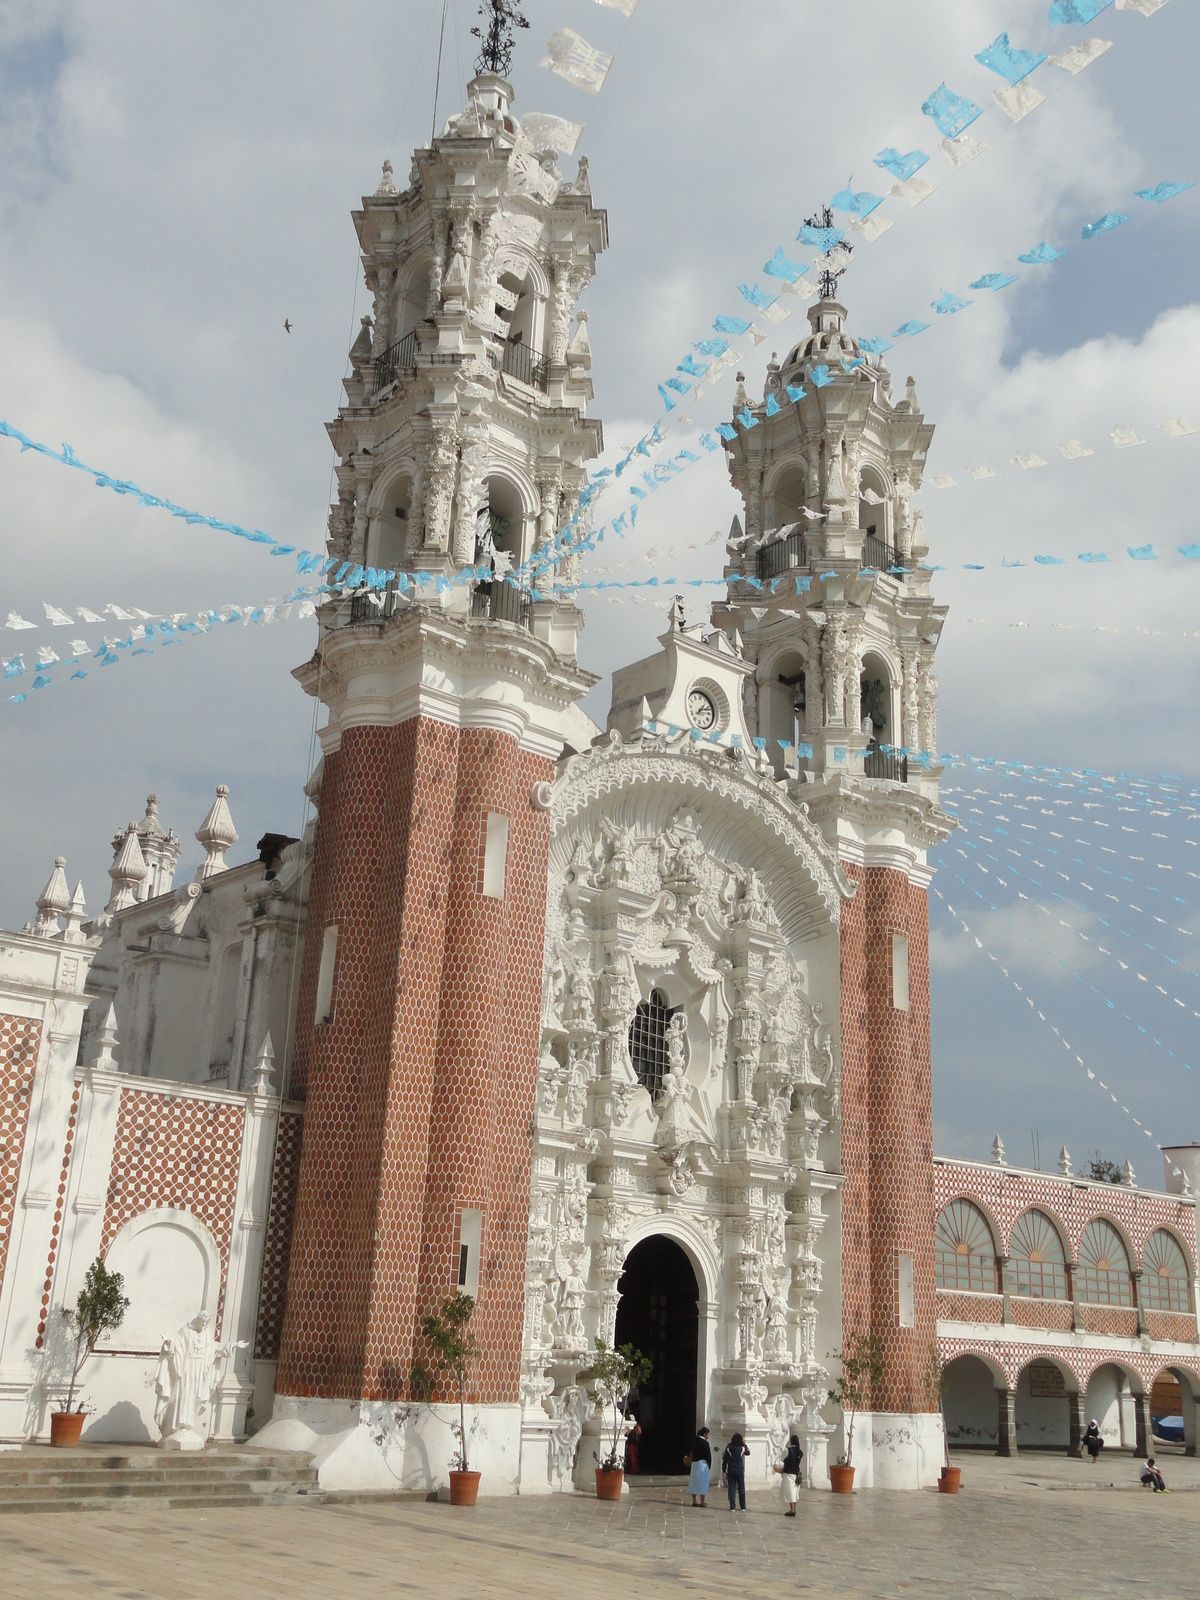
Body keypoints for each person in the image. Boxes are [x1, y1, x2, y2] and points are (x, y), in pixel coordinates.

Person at [775, 1433, 804, 1516]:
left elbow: (781, 1459)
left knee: (790, 1492)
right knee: (795, 1492)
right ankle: (794, 1509)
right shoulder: (800, 1452)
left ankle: (792, 1510)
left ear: (791, 1441)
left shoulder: (788, 1450)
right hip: (796, 1473)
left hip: (788, 1473)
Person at [722, 1432, 750, 1511]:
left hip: (731, 1469)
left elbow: (725, 1459)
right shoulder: (742, 1447)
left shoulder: (728, 1447)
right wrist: (744, 1444)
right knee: (741, 1488)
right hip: (739, 1469)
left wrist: (723, 1470)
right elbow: (748, 1452)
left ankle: (732, 1507)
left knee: (732, 1488)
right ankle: (743, 1507)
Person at [688, 1427, 712, 1507]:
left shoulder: (694, 1441)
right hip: (703, 1464)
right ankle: (702, 1502)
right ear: (705, 1434)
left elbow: (690, 1451)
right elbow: (708, 1456)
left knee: (693, 1482)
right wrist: (709, 1465)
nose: (708, 1436)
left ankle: (694, 1501)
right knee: (703, 1482)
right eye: (708, 1434)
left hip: (694, 1464)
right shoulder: (705, 1443)